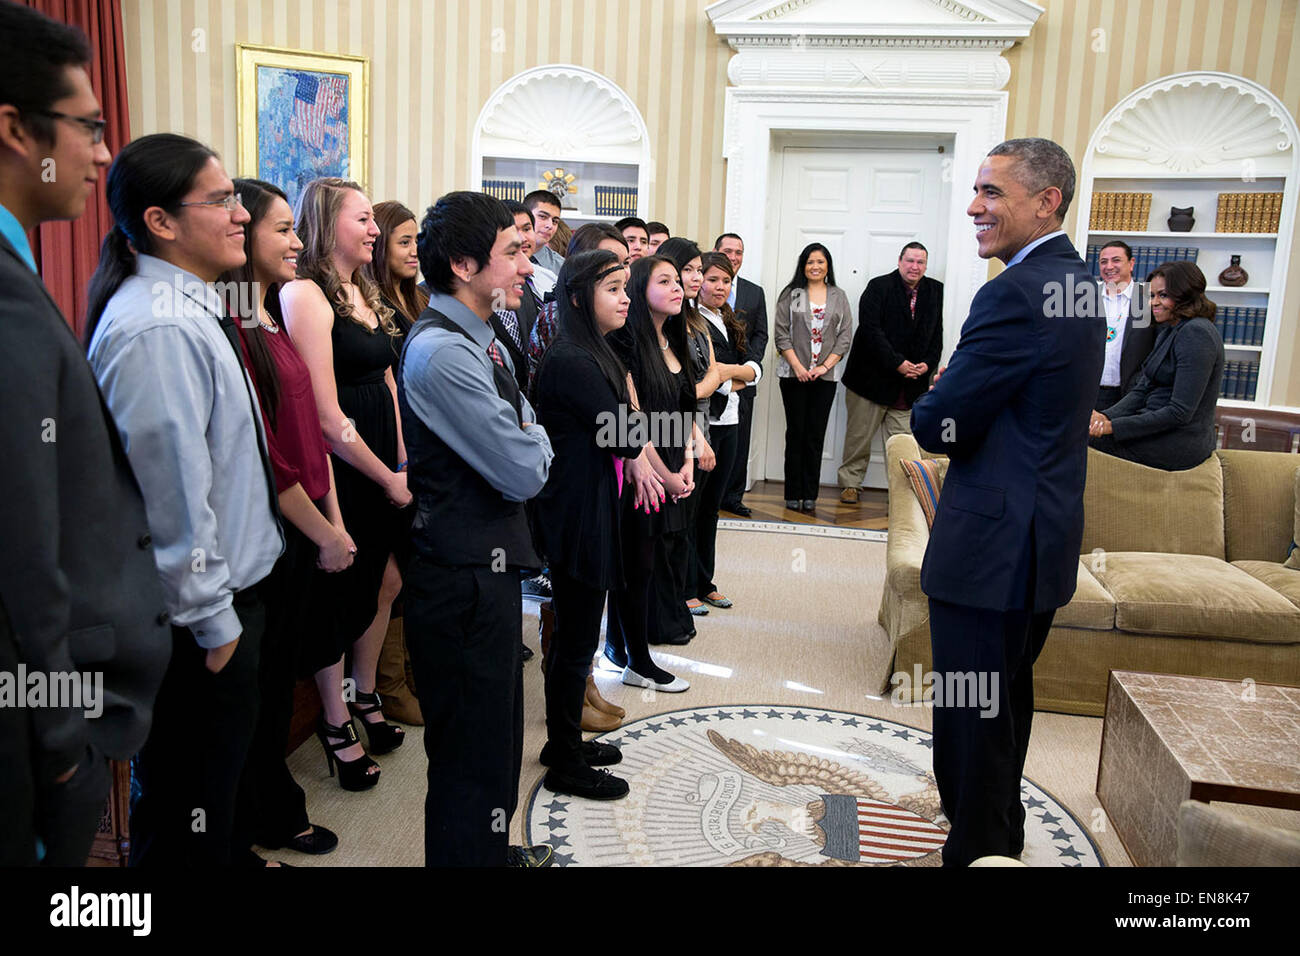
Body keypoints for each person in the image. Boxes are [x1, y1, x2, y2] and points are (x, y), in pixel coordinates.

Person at [85, 134, 285, 866]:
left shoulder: (188, 303)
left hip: (230, 603)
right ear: (161, 221)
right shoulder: (158, 325)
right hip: (201, 622)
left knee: (216, 799)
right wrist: (214, 623)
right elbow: (172, 496)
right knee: (186, 814)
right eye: (223, 199)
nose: (241, 215)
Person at [0, 4, 169, 866]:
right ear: (15, 129)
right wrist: (63, 737)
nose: (105, 153)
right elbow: (22, 550)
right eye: (89, 128)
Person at [910, 137, 1105, 867]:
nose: (974, 206)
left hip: (991, 547)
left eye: (992, 192)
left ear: (1046, 200)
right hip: (1040, 538)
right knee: (1004, 703)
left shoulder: (1014, 292)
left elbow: (939, 422)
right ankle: (1000, 836)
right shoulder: (1079, 281)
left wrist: (939, 400)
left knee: (971, 711)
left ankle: (980, 850)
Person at [399, 190, 555, 866]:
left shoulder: (482, 337)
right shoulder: (445, 354)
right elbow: (526, 469)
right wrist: (532, 434)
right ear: (463, 264)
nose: (527, 265)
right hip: (459, 575)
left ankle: (492, 856)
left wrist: (529, 431)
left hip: (485, 567)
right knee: (468, 753)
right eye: (513, 252)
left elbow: (526, 433)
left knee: (495, 743)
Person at [219, 179, 350, 864]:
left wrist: (333, 517)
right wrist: (323, 529)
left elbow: (311, 431)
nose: (297, 241)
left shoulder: (270, 312)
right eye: (280, 230)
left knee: (275, 690)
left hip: (305, 523)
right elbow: (268, 458)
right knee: (259, 695)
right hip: (277, 528)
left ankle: (272, 808)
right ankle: (262, 817)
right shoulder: (233, 324)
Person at [281, 178, 411, 786]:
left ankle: (365, 695)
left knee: (385, 579)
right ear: (328, 223)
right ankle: (335, 724)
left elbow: (386, 378)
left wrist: (404, 458)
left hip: (386, 458)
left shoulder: (365, 288)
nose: (375, 231)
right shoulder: (307, 295)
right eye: (363, 220)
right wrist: (387, 477)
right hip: (347, 468)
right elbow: (328, 420)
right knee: (338, 594)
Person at [533, 249, 665, 800]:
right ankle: (563, 757)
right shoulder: (571, 359)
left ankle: (563, 741)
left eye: (626, 287)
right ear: (580, 296)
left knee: (579, 634)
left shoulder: (597, 350)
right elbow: (626, 432)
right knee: (575, 638)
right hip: (574, 514)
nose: (625, 298)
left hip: (592, 503)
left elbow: (628, 424)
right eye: (613, 288)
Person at [603, 255, 693, 692]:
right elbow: (635, 422)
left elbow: (686, 412)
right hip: (643, 468)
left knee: (651, 561)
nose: (678, 287)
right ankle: (635, 659)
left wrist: (689, 460)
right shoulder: (630, 344)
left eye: (678, 280)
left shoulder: (674, 339)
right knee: (635, 566)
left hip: (674, 464)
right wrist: (664, 473)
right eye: (666, 281)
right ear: (641, 290)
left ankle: (624, 649)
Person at [366, 198, 427, 726]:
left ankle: (406, 671)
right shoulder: (371, 303)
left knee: (410, 566)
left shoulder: (420, 299)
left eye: (416, 241)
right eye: (403, 241)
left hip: (419, 447)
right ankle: (386, 684)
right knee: (388, 571)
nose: (414, 250)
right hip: (387, 446)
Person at [1089, 260, 1223, 471]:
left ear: (1185, 295)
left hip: (1178, 442)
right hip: (1154, 429)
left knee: (1077, 443)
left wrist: (1112, 427)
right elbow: (1142, 389)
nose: (1154, 303)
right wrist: (1105, 415)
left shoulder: (1197, 333)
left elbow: (1179, 412)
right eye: (1152, 296)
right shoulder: (1168, 330)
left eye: (1163, 295)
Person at [837, 242, 943, 503]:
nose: (914, 267)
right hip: (870, 380)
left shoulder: (935, 291)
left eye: (920, 262)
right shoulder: (878, 287)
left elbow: (936, 334)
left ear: (926, 265)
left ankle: (902, 493)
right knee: (858, 439)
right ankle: (851, 484)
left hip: (911, 386)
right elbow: (871, 331)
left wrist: (927, 364)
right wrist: (897, 363)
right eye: (910, 261)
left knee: (904, 445)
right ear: (899, 261)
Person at [693, 252, 756, 610]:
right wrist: (736, 376)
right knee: (695, 509)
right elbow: (710, 376)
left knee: (712, 509)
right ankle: (688, 585)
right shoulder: (691, 320)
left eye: (726, 281)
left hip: (730, 420)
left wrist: (735, 374)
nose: (719, 286)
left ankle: (706, 581)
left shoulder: (726, 318)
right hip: (706, 423)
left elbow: (752, 368)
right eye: (712, 279)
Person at [773, 243, 852, 512]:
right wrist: (797, 366)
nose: (815, 266)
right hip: (794, 374)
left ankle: (810, 494)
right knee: (796, 433)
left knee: (815, 435)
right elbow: (782, 332)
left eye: (820, 261)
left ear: (828, 265)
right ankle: (792, 493)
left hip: (825, 377)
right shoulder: (795, 294)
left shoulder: (838, 295)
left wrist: (825, 366)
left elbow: (845, 335)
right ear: (803, 266)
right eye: (809, 262)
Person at [526, 222, 629, 397]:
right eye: (609, 260)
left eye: (625, 263)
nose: (620, 270)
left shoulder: (621, 307)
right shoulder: (557, 316)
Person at [714, 232, 768, 517]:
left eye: (739, 252)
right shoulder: (704, 288)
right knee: (715, 439)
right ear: (715, 252)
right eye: (728, 251)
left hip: (744, 379)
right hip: (712, 378)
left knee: (740, 441)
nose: (734, 257)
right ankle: (711, 494)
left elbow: (761, 334)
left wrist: (749, 368)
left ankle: (733, 497)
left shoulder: (754, 291)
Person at [1094, 240, 1157, 411]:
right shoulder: (1087, 298)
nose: (1109, 266)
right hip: (1088, 394)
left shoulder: (1147, 299)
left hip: (1131, 395)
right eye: (1103, 262)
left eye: (1116, 260)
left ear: (1131, 263)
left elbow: (1157, 348)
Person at [494, 200, 545, 394]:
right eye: (515, 230)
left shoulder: (524, 286)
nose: (523, 238)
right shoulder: (494, 290)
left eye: (527, 228)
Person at [523, 189, 565, 274]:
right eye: (542, 216)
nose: (550, 226)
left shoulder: (561, 267)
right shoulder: (503, 254)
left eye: (555, 221)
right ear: (525, 215)